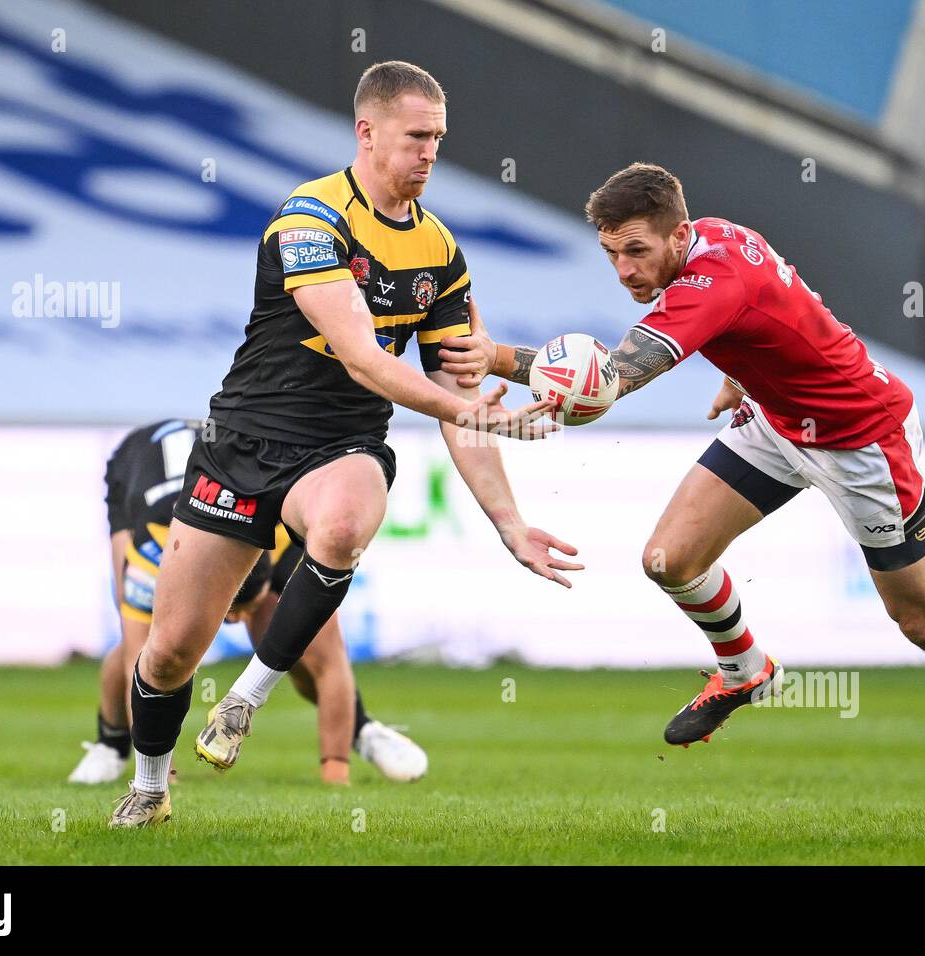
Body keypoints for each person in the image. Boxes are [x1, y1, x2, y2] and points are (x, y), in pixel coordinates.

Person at [462, 163, 925, 830]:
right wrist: (747, 372)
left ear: (678, 235)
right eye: (611, 254)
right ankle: (746, 667)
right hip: (779, 420)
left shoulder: (710, 280)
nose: (625, 271)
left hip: (863, 440)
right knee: (670, 559)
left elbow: (610, 380)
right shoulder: (716, 239)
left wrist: (493, 358)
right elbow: (787, 307)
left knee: (924, 622)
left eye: (636, 251)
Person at [110, 62, 580, 828]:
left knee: (343, 524)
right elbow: (364, 357)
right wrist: (482, 414)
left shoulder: (440, 252)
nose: (430, 153)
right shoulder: (309, 219)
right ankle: (151, 786)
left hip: (342, 443)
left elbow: (459, 393)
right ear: (367, 132)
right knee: (166, 655)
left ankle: (243, 702)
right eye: (415, 137)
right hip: (243, 442)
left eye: (439, 138)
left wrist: (510, 522)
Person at [70, 420, 425, 789]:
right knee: (143, 641)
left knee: (309, 648)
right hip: (139, 467)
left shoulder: (287, 536)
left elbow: (332, 662)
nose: (234, 623)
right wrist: (162, 775)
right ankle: (110, 745)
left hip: (235, 490)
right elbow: (136, 657)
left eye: (245, 610)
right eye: (229, 613)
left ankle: (361, 729)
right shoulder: (153, 550)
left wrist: (335, 778)